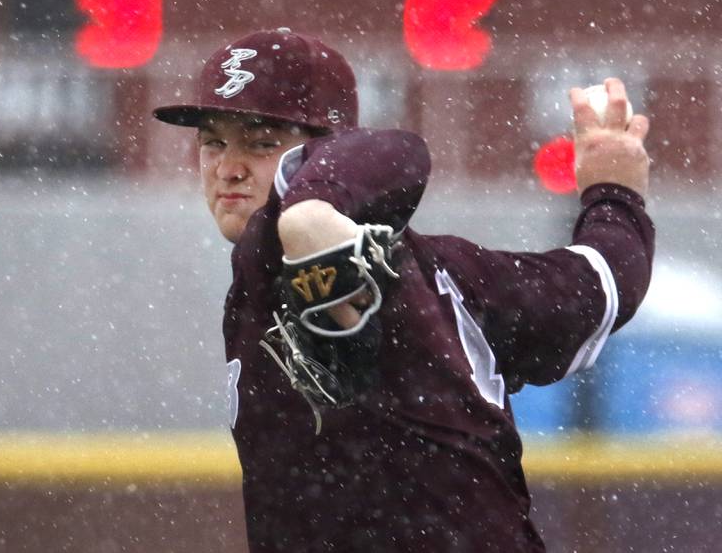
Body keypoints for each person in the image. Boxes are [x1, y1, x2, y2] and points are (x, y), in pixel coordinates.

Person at [154, 28, 654, 552]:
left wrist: (310, 207)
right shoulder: (454, 273)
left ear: (331, 147)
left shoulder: (277, 247)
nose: (228, 168)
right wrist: (615, 193)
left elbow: (396, 149)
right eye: (213, 141)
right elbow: (603, 278)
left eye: (260, 142)